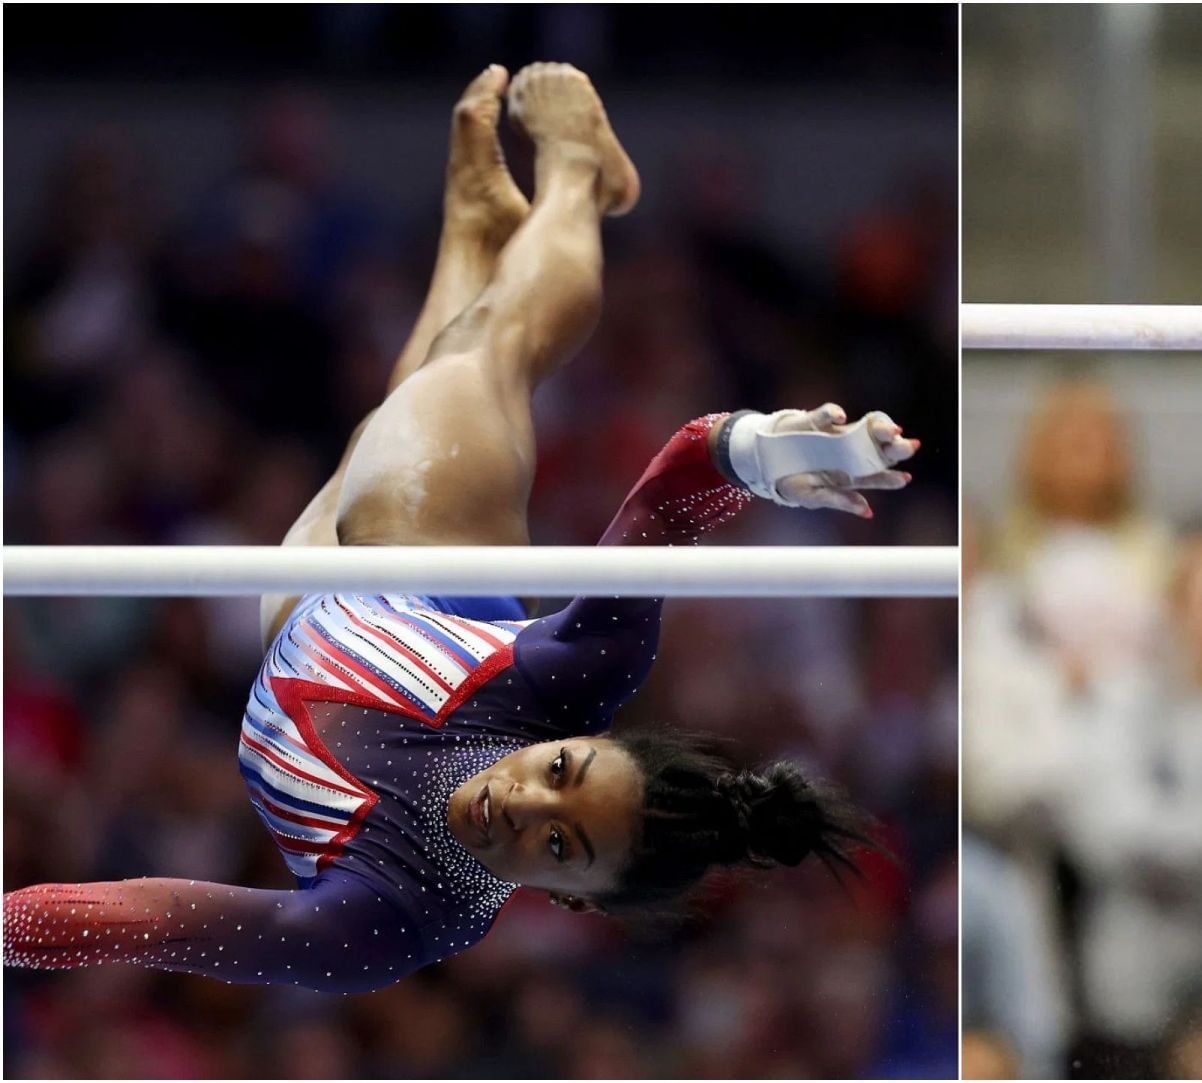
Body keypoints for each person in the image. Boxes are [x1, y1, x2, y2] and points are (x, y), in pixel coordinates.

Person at [2, 63, 917, 994]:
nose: (522, 803)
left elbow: (152, 919)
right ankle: (576, 174)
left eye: (559, 845)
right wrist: (765, 449)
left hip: (304, 613)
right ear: (576, 736)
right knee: (494, 345)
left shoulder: (391, 920)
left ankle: (474, 232)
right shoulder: (581, 669)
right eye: (561, 768)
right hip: (425, 545)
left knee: (411, 389)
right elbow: (673, 490)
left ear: (573, 900)